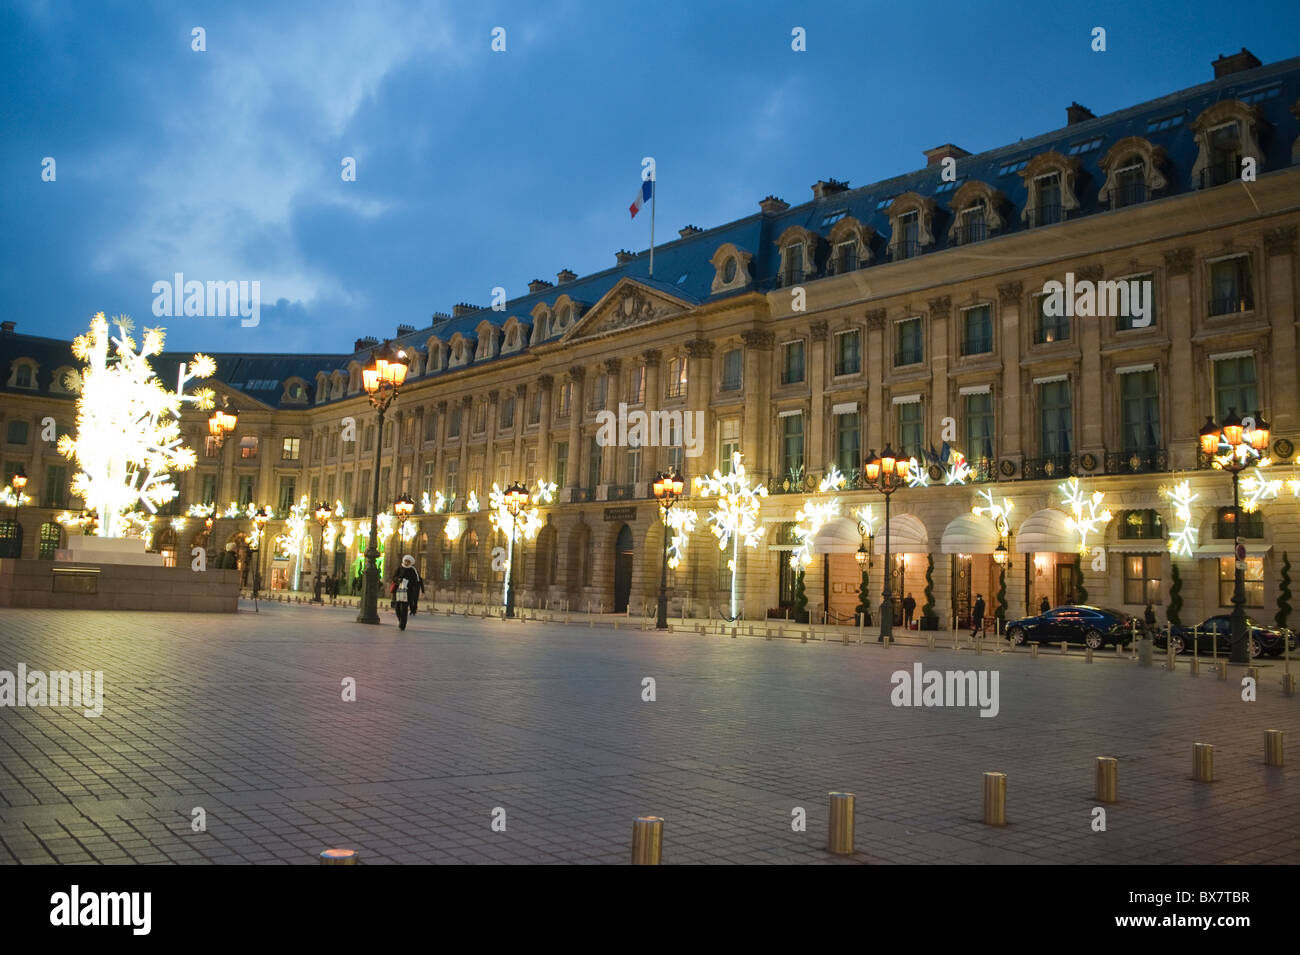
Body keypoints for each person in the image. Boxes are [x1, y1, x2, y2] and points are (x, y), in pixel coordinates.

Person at [389, 554, 424, 631]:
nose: (406, 563)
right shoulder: (399, 568)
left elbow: (416, 582)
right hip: (398, 591)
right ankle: (401, 620)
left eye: (408, 561)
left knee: (404, 608)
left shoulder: (413, 570)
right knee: (397, 607)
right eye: (406, 561)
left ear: (411, 562)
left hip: (408, 592)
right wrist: (398, 580)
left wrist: (408, 583)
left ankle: (402, 625)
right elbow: (393, 577)